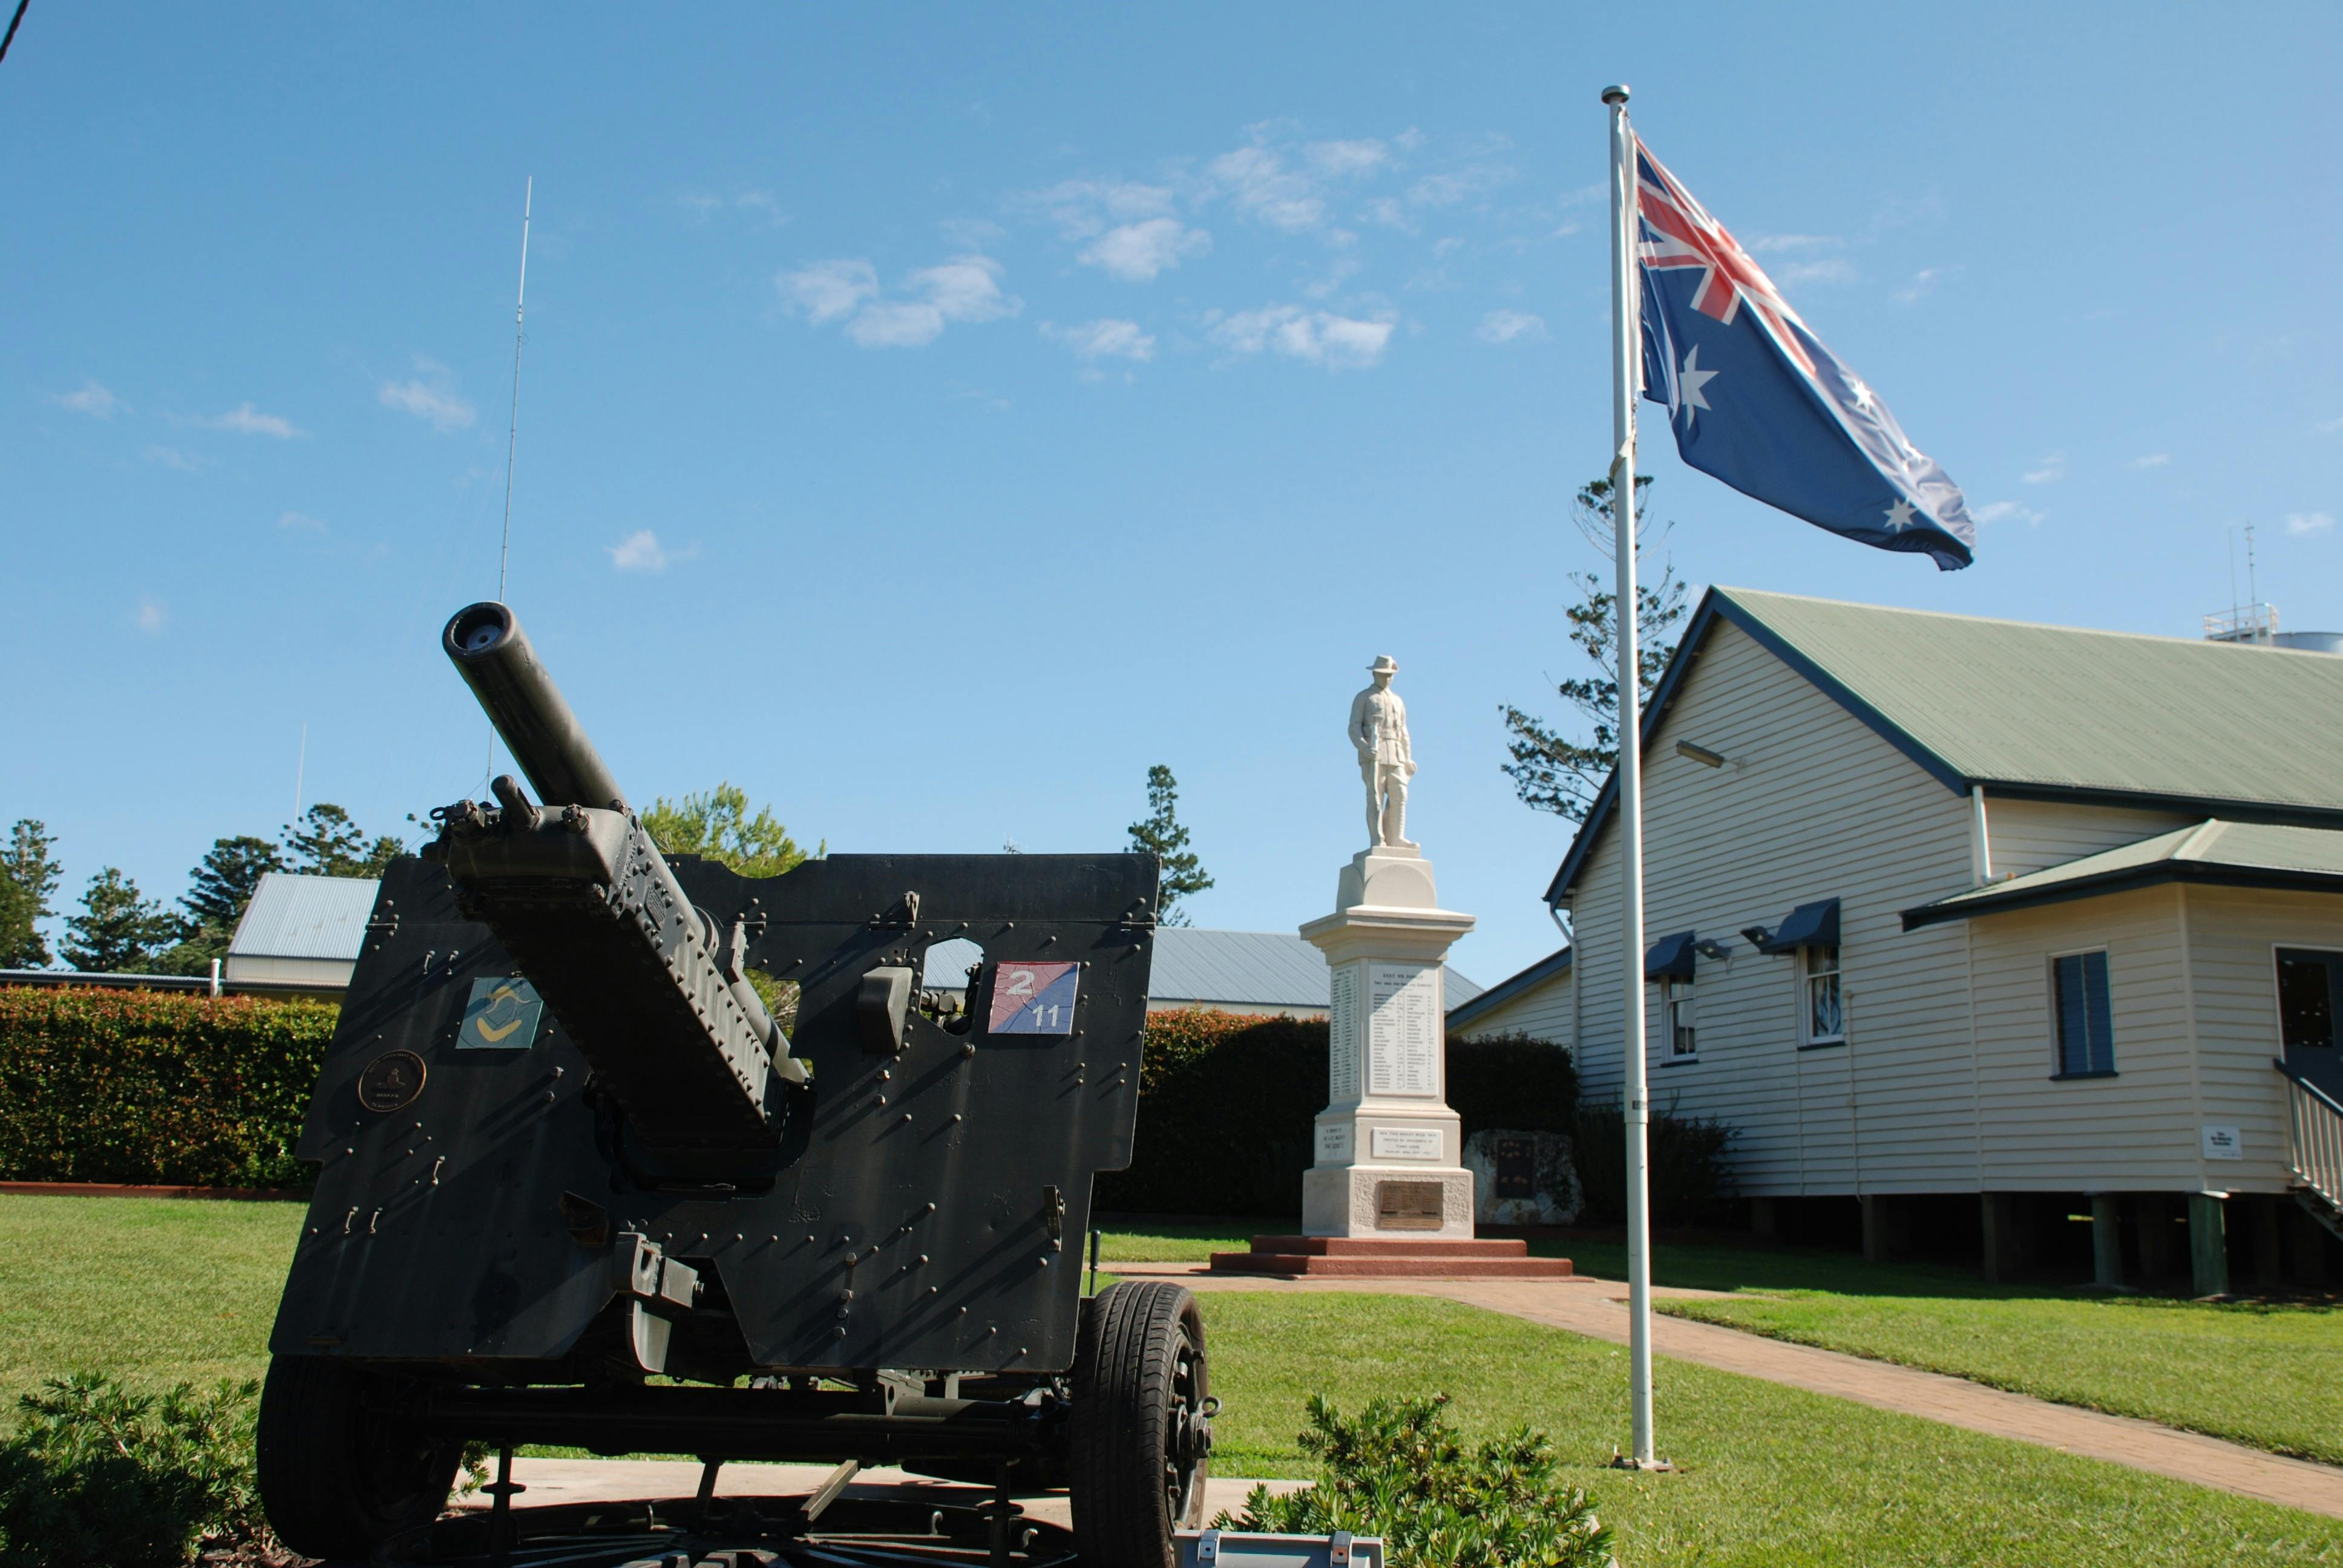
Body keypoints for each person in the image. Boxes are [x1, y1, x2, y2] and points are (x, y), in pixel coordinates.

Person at [1347, 655, 1416, 849]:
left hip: (1396, 754)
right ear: (1375, 674)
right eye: (1384, 675)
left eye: (1390, 675)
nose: (1387, 679)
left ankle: (1398, 837)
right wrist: (1365, 749)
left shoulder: (1398, 701)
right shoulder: (1364, 698)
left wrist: (1408, 758)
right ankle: (1378, 838)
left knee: (1400, 794)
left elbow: (1403, 731)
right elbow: (1354, 728)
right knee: (1375, 798)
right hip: (1374, 755)